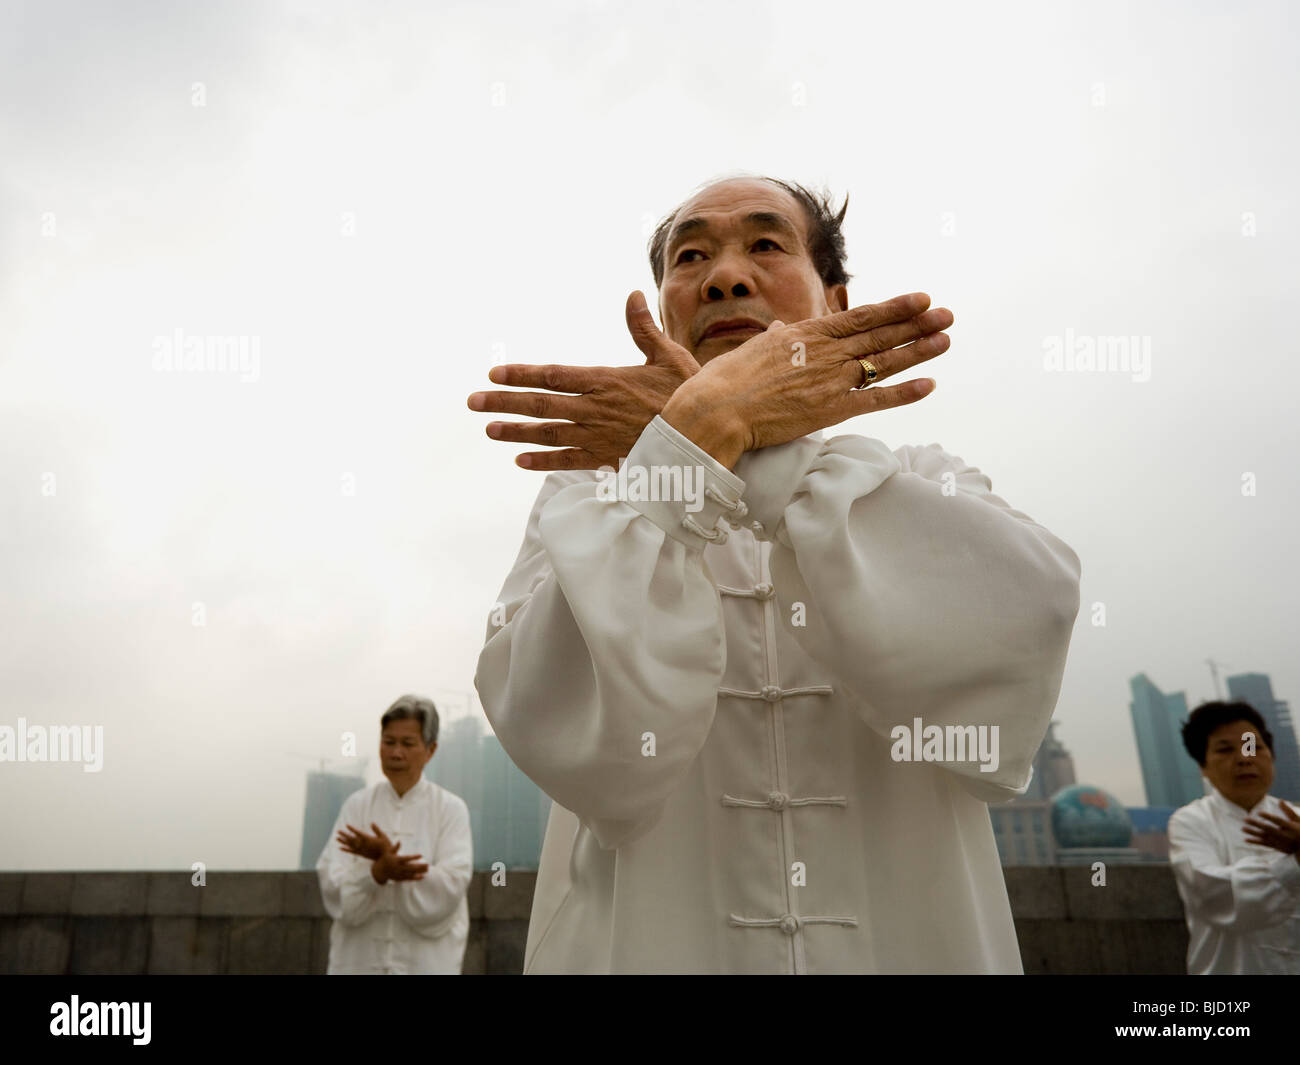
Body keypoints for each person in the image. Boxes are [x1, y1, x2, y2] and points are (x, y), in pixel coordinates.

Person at [468, 175, 1081, 973]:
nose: (726, 275)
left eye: (765, 243)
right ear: (660, 313)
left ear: (836, 301)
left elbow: (1026, 638)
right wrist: (688, 449)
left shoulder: (925, 478)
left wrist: (727, 437)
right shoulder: (591, 495)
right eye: (691, 256)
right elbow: (563, 730)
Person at [316, 694, 473, 974]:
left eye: (407, 743)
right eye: (388, 742)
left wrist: (392, 863)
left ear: (430, 750)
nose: (396, 753)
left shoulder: (451, 809)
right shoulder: (356, 806)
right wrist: (375, 872)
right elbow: (330, 878)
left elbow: (453, 883)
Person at [1167, 700, 1300, 974]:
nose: (1244, 758)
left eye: (1256, 747)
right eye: (1226, 749)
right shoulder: (1190, 822)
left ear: (1271, 756)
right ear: (1203, 766)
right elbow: (1217, 896)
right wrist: (1295, 863)